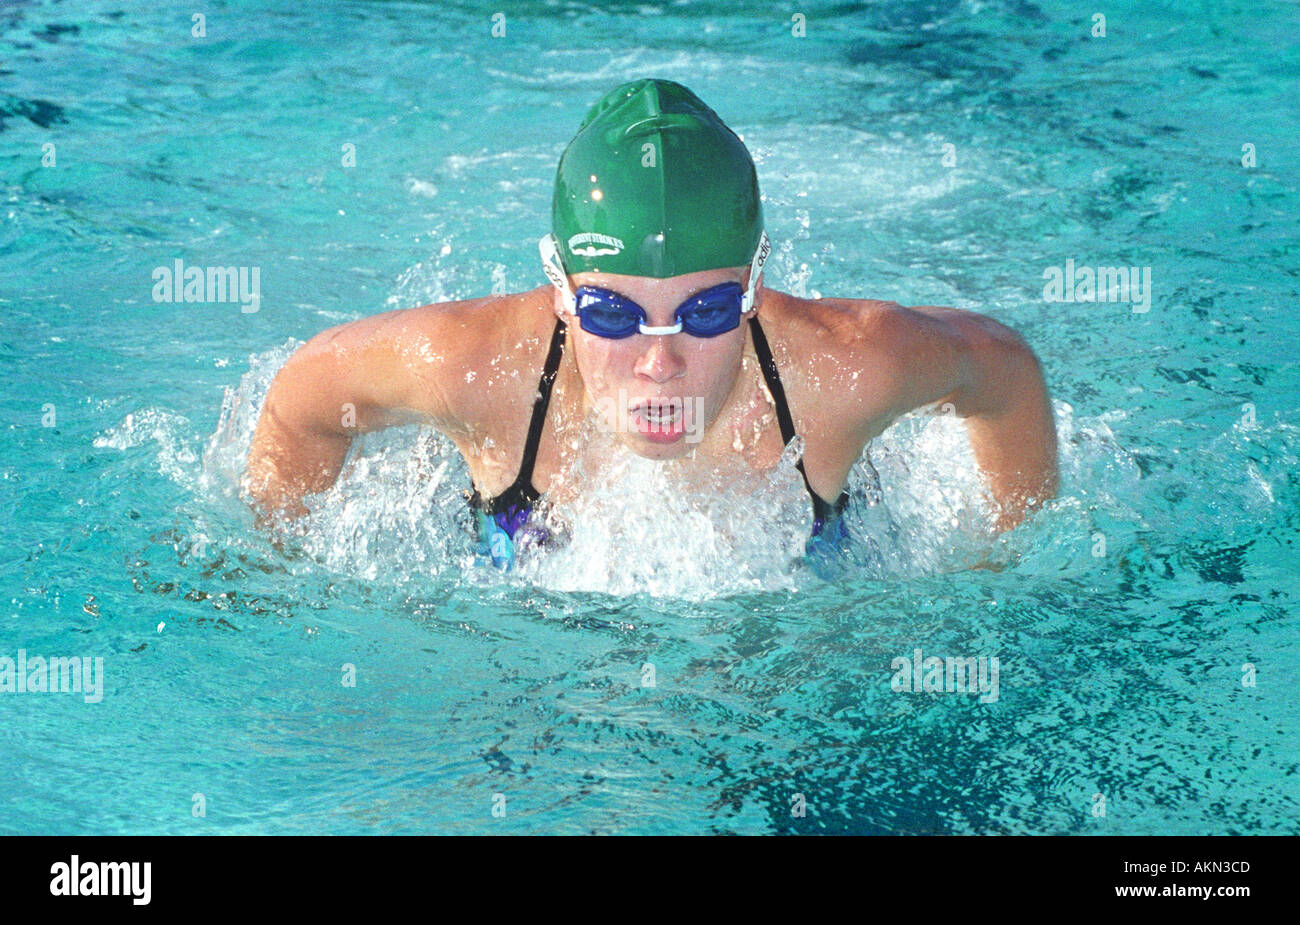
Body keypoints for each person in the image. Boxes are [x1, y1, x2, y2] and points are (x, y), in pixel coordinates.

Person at [246, 78, 1059, 570]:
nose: (659, 361)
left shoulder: (842, 371)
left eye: (705, 311)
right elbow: (302, 400)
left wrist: (1003, 568)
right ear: (560, 289)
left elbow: (1002, 371)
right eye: (612, 312)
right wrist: (277, 570)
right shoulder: (472, 367)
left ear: (754, 283)